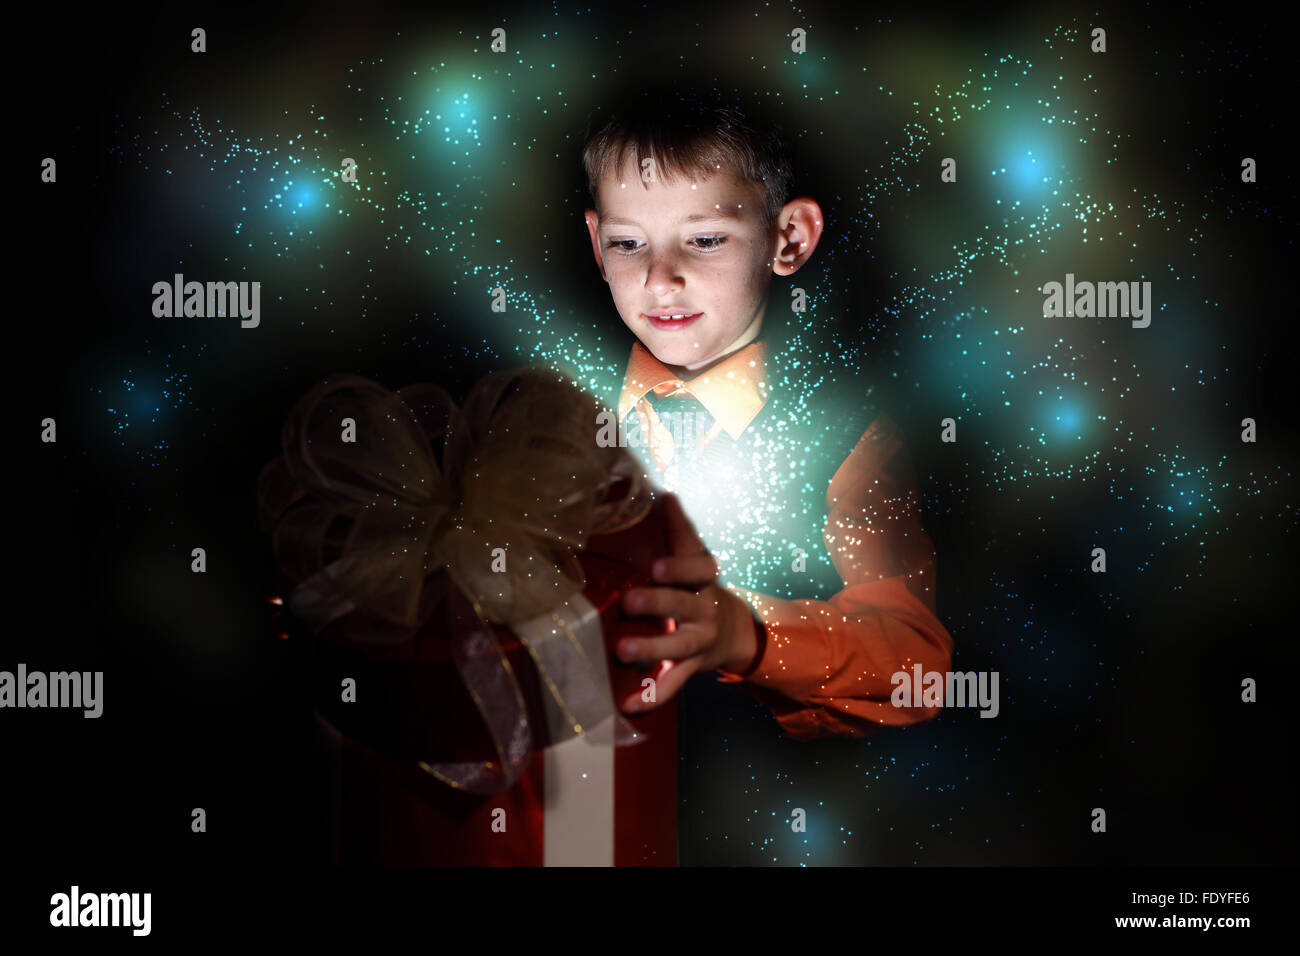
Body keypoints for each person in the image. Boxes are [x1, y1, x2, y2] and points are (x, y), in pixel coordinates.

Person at [579, 86, 955, 744]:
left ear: (789, 238)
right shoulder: (558, 417)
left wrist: (745, 634)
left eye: (702, 239)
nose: (660, 279)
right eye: (629, 243)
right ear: (596, 243)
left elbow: (916, 666)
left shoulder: (846, 440)